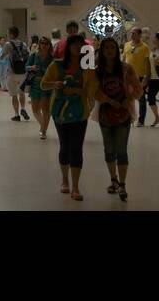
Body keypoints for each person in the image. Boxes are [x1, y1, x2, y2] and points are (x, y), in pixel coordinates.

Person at [41, 35, 99, 201]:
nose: (77, 47)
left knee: (77, 148)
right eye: (74, 44)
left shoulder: (87, 67)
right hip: (60, 112)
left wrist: (77, 91)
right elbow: (43, 84)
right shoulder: (56, 65)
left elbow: (92, 89)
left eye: (80, 44)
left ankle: (76, 186)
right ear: (68, 46)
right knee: (64, 146)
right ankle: (64, 180)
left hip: (80, 113)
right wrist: (56, 84)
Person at [94, 37, 143, 202]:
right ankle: (113, 179)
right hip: (104, 114)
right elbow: (94, 91)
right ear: (102, 51)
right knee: (109, 150)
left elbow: (138, 89)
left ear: (117, 50)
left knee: (121, 150)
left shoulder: (125, 69)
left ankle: (122, 184)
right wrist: (109, 101)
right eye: (106, 48)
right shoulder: (97, 70)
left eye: (112, 48)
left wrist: (128, 98)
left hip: (123, 114)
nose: (109, 51)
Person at [122, 28, 151, 127]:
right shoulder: (127, 45)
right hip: (127, 76)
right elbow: (123, 59)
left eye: (134, 33)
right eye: (131, 33)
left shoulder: (145, 47)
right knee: (127, 97)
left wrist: (147, 77)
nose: (132, 35)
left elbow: (147, 64)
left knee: (141, 98)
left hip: (140, 76)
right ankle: (128, 117)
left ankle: (141, 120)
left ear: (139, 35)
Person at [26, 36, 55, 139]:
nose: (44, 45)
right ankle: (43, 126)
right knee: (35, 109)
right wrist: (31, 67)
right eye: (42, 43)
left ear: (49, 45)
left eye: (46, 43)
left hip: (47, 85)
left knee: (45, 109)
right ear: (39, 44)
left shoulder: (52, 58)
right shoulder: (34, 55)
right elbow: (26, 66)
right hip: (35, 84)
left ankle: (44, 131)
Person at [5, 27, 30, 122]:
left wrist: (8, 55)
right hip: (22, 72)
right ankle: (23, 108)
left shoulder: (8, 44)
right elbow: (28, 54)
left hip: (12, 72)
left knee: (14, 95)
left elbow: (2, 56)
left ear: (11, 34)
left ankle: (16, 115)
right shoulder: (23, 44)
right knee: (22, 93)